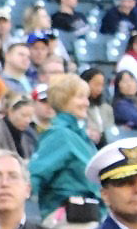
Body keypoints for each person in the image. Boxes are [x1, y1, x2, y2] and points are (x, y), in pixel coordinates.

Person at [29, 71, 98, 215]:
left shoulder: (81, 136)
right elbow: (35, 174)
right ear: (63, 100)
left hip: (93, 214)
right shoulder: (60, 135)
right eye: (80, 97)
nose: (86, 103)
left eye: (86, 97)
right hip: (68, 218)